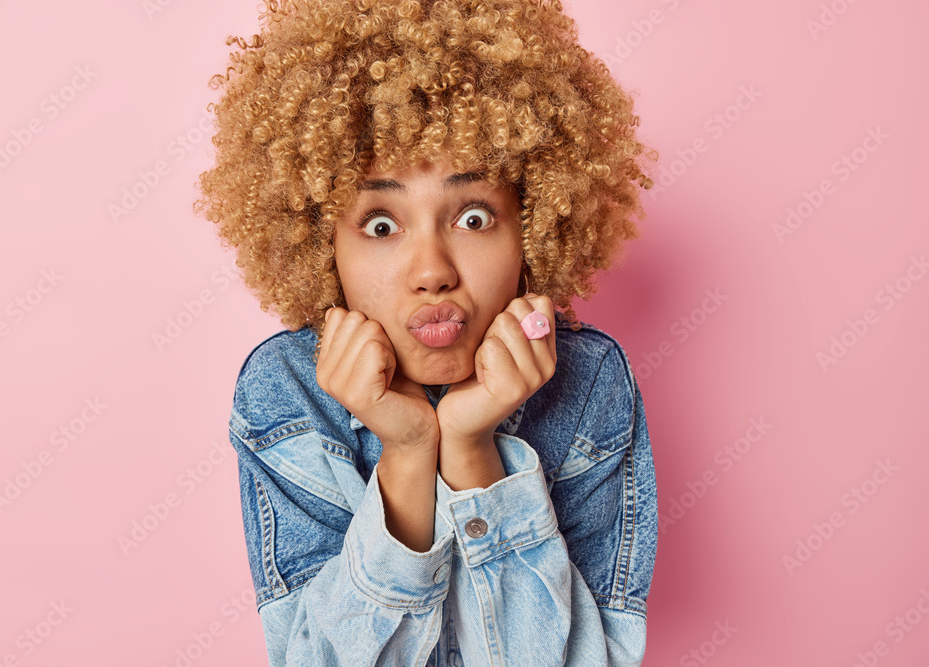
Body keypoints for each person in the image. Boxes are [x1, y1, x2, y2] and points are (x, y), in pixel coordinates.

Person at [194, 0, 659, 664]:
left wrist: (471, 447)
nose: (433, 272)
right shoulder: (286, 395)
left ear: (532, 224)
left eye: (472, 217)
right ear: (321, 243)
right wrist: (408, 453)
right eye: (381, 225)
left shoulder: (589, 386)